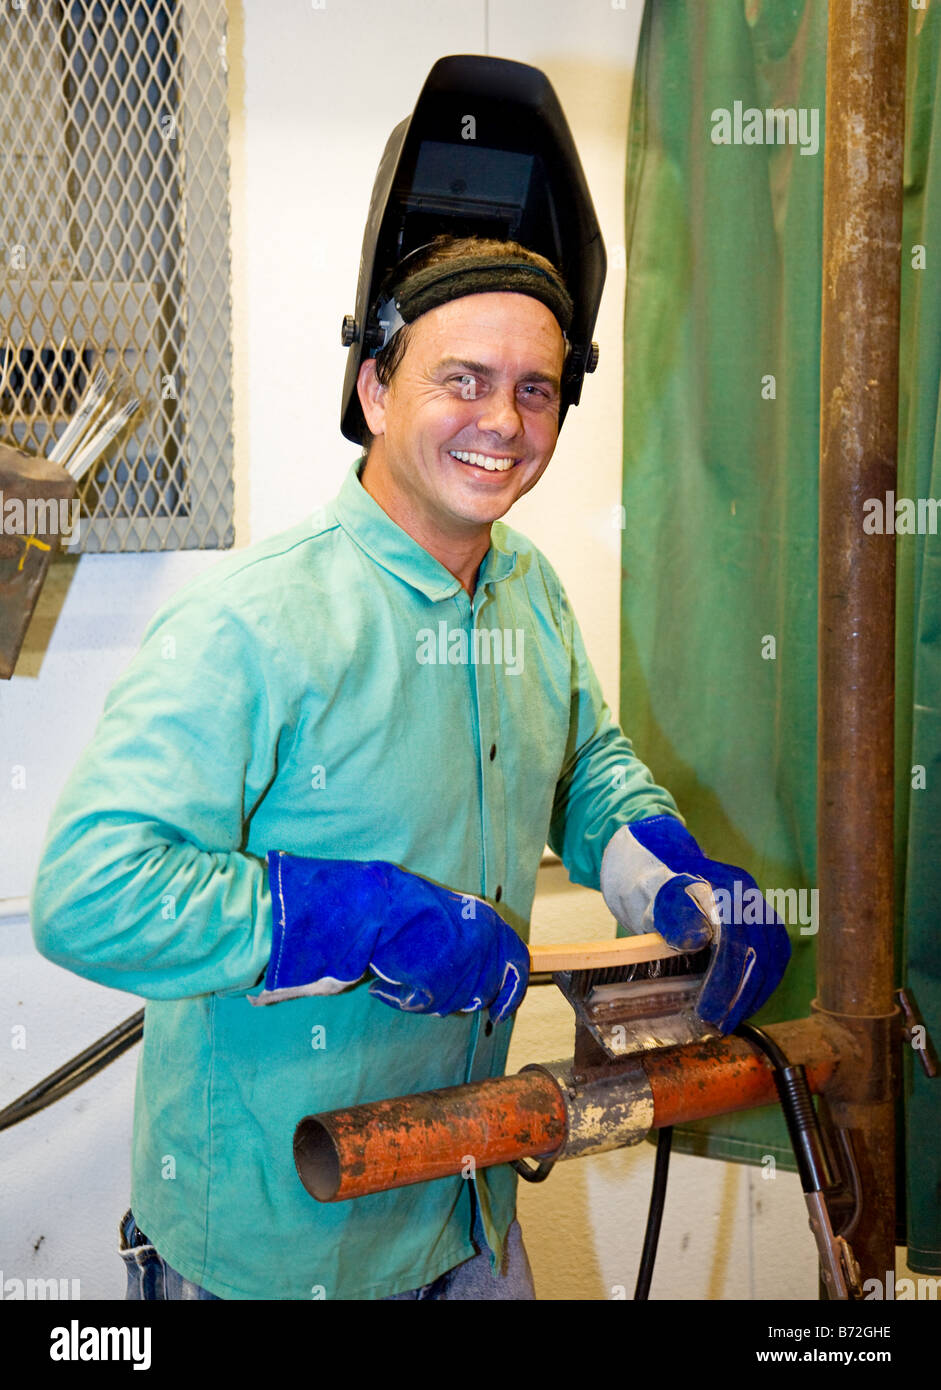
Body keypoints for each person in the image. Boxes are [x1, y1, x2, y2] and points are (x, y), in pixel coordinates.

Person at [30, 233, 789, 1301]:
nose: (503, 423)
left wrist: (671, 881)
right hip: (282, 1241)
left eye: (535, 390)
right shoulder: (251, 620)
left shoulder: (526, 587)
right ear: (376, 389)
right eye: (462, 381)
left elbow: (584, 768)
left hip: (468, 1203)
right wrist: (356, 918)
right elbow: (89, 894)